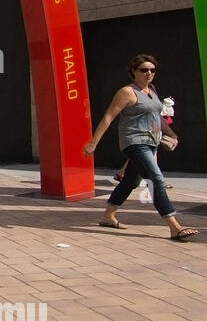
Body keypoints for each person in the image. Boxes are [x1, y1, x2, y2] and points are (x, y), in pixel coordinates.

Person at [83, 54, 197, 241]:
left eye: (152, 70)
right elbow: (108, 117)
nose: (149, 73)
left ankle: (108, 216)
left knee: (130, 181)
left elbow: (158, 117)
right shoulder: (127, 92)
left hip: (151, 142)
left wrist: (171, 134)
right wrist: (93, 143)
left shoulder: (151, 90)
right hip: (134, 142)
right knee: (156, 179)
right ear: (133, 72)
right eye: (144, 70)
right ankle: (174, 227)